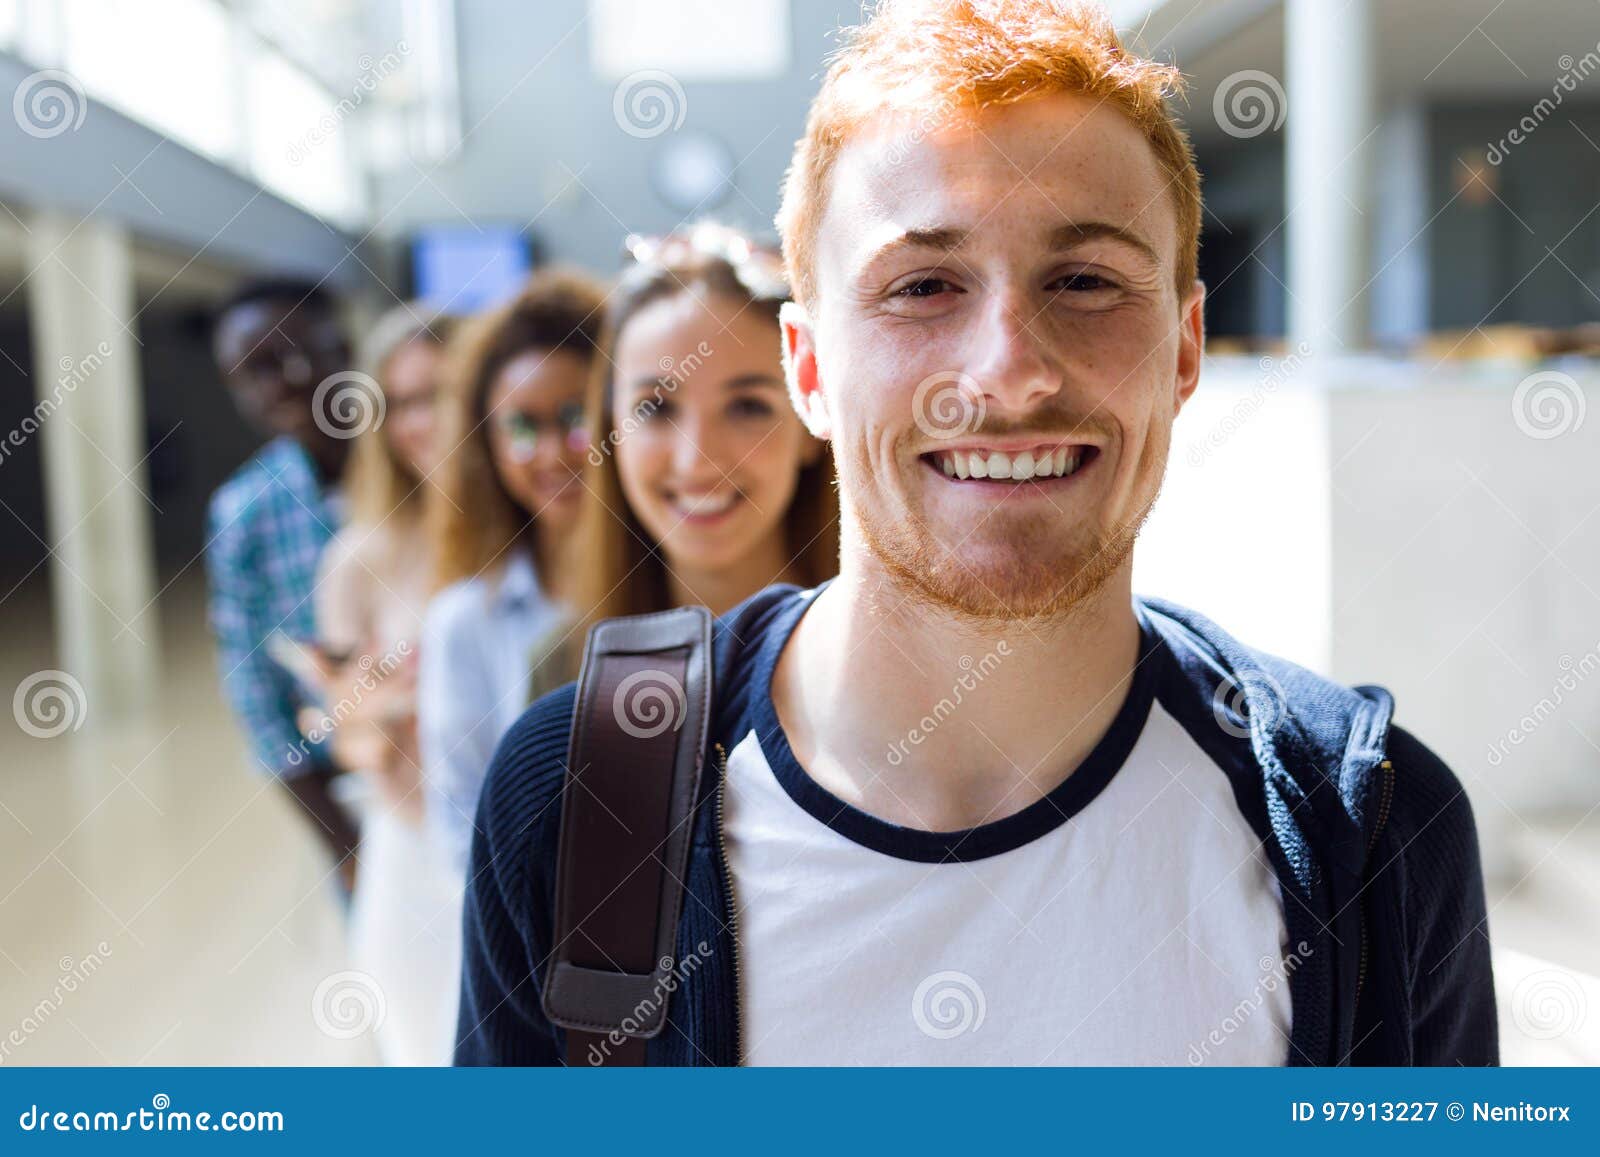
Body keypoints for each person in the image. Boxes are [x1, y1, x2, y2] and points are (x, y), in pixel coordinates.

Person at [456, 0, 1497, 1067]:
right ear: (808, 364)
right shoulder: (583, 798)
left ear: (1183, 346)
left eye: (1085, 281)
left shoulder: (1368, 829)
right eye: (922, 287)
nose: (1009, 373)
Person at [434, 224, 840, 870]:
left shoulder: (887, 652)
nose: (696, 459)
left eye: (748, 407)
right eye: (656, 408)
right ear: (610, 430)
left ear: (811, 421)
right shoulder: (561, 668)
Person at [419, 269, 606, 876]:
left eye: (576, 418)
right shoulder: (464, 622)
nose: (554, 454)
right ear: (487, 445)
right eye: (523, 427)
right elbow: (462, 831)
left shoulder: (693, 588)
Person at [311, 302, 458, 1064]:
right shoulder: (356, 559)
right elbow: (347, 749)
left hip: (530, 861)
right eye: (401, 401)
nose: (422, 420)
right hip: (413, 855)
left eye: (441, 391)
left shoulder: (549, 534)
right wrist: (371, 711)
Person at [206, 277, 360, 891]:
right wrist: (347, 847)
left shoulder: (431, 465)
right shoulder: (244, 514)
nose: (280, 383)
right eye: (252, 371)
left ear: (341, 349)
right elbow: (256, 695)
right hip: (357, 794)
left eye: (291, 355)